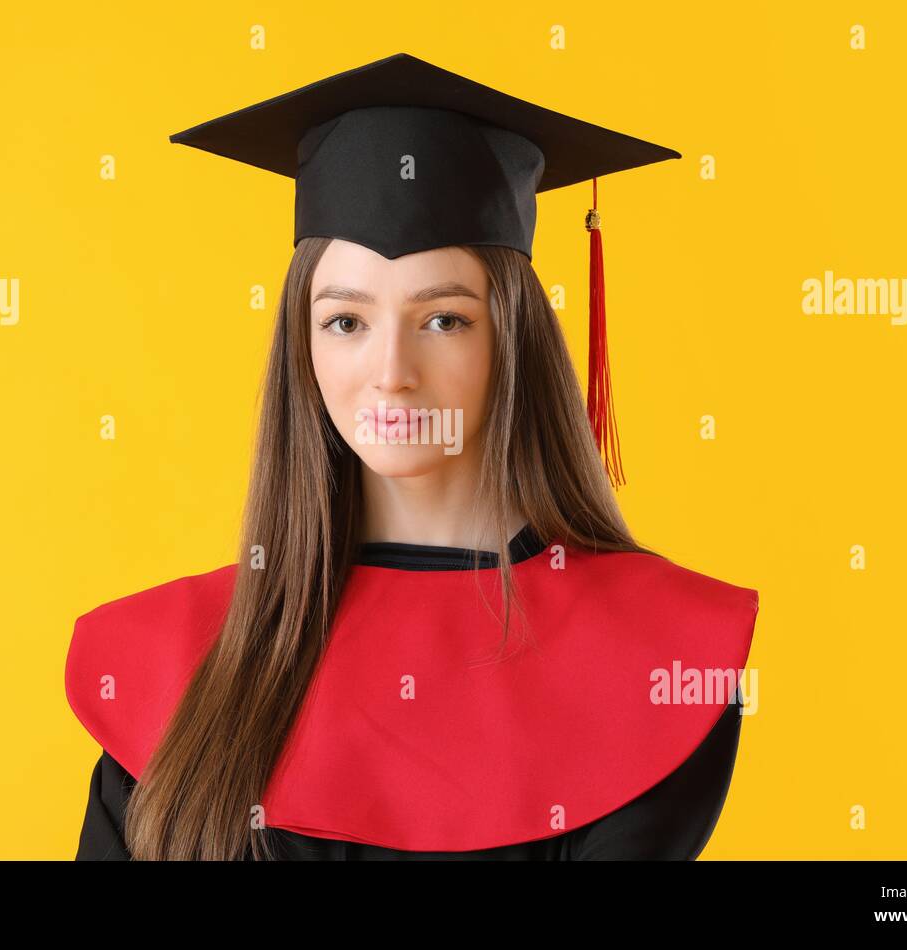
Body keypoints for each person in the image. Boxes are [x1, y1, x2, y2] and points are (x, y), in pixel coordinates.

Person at [65, 52, 759, 860]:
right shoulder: (168, 663)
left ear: (514, 340)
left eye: (444, 320)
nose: (391, 373)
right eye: (346, 321)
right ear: (302, 346)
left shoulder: (654, 657)